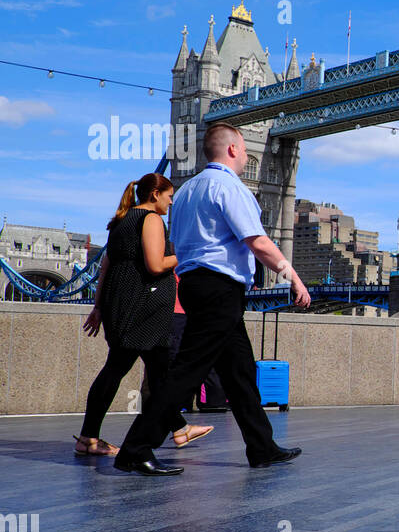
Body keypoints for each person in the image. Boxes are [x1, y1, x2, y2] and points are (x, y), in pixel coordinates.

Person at [114, 124, 312, 475]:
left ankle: (262, 447)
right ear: (233, 149)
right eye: (246, 150)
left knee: (240, 372)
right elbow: (258, 242)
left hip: (194, 284)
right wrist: (293, 278)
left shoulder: (187, 191)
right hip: (219, 287)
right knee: (188, 372)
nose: (249, 156)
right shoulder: (230, 188)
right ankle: (135, 448)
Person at [75, 174, 213, 456]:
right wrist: (189, 254)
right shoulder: (150, 220)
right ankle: (90, 438)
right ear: (155, 195)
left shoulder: (120, 222)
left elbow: (105, 270)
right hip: (143, 307)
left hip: (123, 303)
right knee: (122, 370)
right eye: (169, 195)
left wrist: (99, 307)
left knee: (155, 371)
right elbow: (155, 265)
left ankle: (178, 428)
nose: (171, 201)